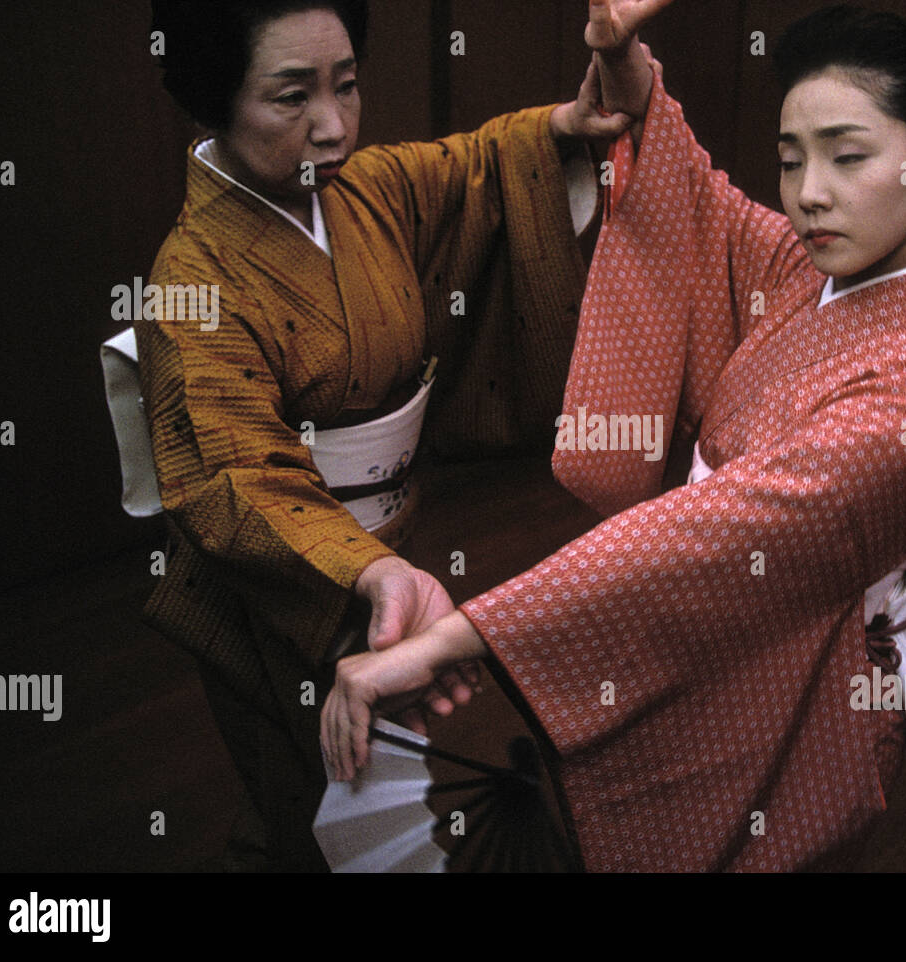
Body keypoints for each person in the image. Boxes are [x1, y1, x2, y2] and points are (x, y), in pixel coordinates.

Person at [323, 2, 906, 872]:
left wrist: (454, 641)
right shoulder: (813, 270)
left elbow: (693, 544)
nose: (809, 193)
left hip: (803, 673)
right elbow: (698, 194)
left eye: (849, 156)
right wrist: (621, 58)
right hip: (719, 619)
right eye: (792, 161)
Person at [135, 0, 638, 871]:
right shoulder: (193, 278)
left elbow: (476, 165)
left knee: (381, 775)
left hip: (389, 549)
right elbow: (236, 475)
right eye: (291, 98)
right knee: (302, 790)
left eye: (348, 86)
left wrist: (562, 126)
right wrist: (370, 572)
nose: (332, 127)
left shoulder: (365, 191)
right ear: (214, 100)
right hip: (281, 584)